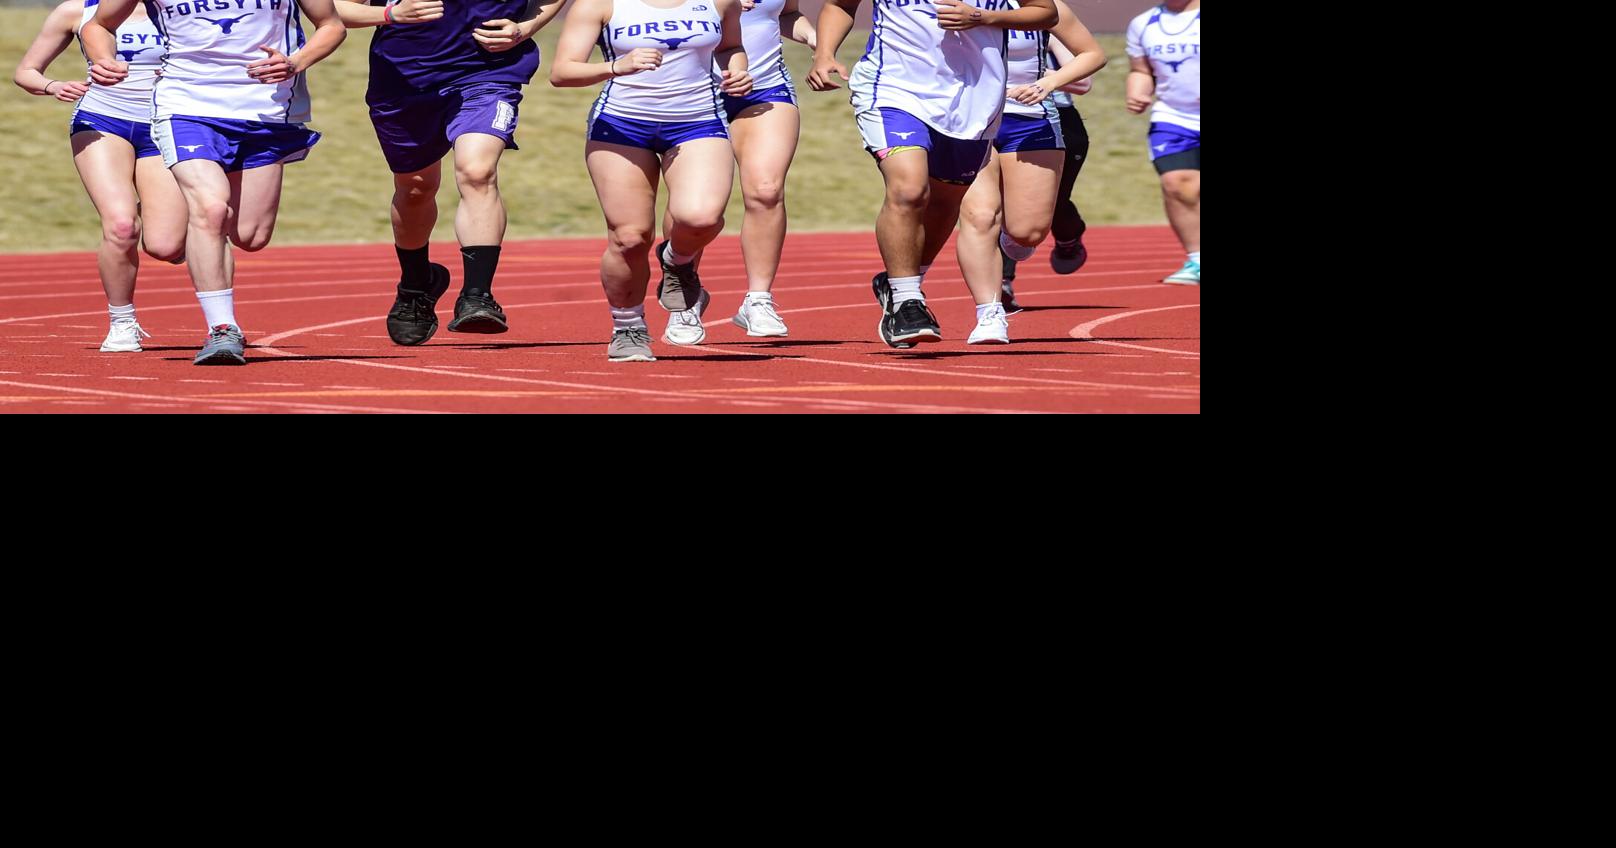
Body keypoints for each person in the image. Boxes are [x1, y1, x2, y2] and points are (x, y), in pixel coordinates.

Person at [85, 0, 347, 366]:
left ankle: (188, 226)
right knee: (211, 208)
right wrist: (103, 59)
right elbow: (98, 24)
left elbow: (332, 25)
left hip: (264, 110)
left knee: (250, 236)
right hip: (186, 106)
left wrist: (296, 62)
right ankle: (222, 329)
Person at [808, 0, 1057, 349]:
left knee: (945, 202)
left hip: (974, 99)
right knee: (909, 188)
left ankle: (898, 281)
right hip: (894, 89)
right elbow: (840, 5)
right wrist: (824, 53)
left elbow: (1046, 12)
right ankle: (907, 300)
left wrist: (986, 17)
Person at [335, 0, 565, 345]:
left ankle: (477, 295)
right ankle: (416, 284)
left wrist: (526, 27)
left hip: (486, 73)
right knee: (415, 188)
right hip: (404, 81)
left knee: (477, 171)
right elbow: (335, 9)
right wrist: (389, 15)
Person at [550, 0, 751, 363]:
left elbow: (731, 46)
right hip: (620, 125)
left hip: (698, 121)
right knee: (629, 237)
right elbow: (562, 71)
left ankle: (678, 260)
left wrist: (737, 71)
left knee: (702, 217)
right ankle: (628, 327)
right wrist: (616, 66)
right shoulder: (600, 3)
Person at [13, 0, 186, 353]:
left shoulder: (183, 8)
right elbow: (26, 71)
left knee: (165, 245)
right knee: (121, 226)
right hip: (102, 120)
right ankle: (122, 323)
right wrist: (53, 86)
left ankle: (170, 219)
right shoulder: (77, 11)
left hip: (167, 122)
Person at [658, 0, 815, 341]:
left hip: (763, 87)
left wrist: (815, 38)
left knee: (766, 189)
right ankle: (684, 298)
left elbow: (787, 13)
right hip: (690, 93)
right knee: (688, 204)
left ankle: (758, 299)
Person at [955, 0, 1103, 343]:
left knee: (1028, 232)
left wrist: (1049, 83)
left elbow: (1091, 57)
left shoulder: (1043, 7)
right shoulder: (947, 5)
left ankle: (1015, 234)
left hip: (1028, 118)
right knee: (980, 215)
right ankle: (990, 313)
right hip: (967, 118)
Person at [1000, 42, 1097, 314]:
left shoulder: (1049, 29)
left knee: (1051, 204)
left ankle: (1069, 237)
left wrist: (1033, 75)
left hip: (1055, 120)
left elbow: (1083, 83)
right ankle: (1002, 283)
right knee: (997, 204)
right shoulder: (980, 25)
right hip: (996, 117)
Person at [1126, 0, 1199, 285]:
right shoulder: (1143, 23)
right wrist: (1137, 91)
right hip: (1174, 116)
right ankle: (1197, 260)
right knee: (1176, 183)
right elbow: (1141, 69)